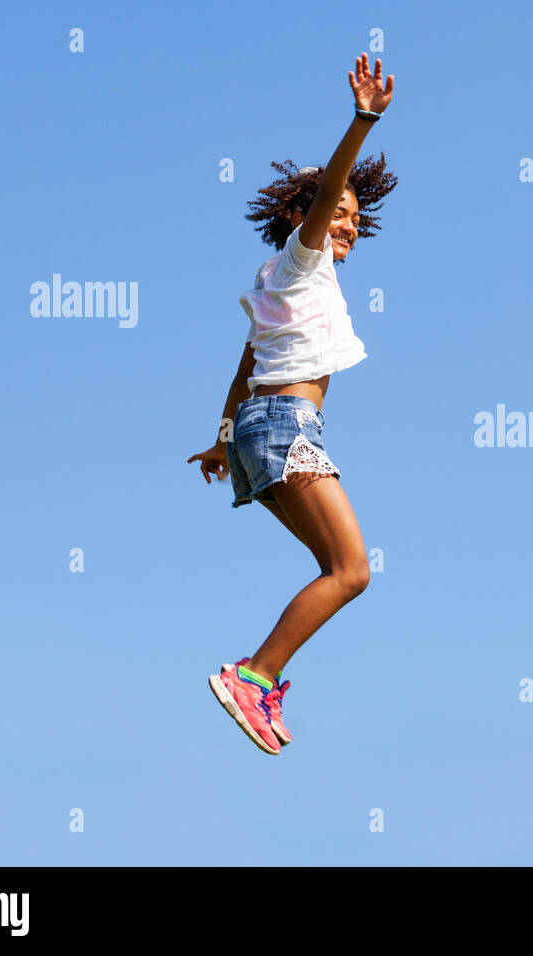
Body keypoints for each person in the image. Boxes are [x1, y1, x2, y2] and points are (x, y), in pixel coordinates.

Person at [186, 53, 397, 754]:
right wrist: (362, 121)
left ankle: (263, 675)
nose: (347, 224)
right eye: (337, 212)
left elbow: (248, 363)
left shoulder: (278, 284)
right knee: (352, 571)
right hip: (284, 428)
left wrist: (221, 439)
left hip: (257, 429)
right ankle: (255, 674)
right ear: (305, 217)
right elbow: (330, 185)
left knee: (334, 570)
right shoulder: (300, 260)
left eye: (354, 219)